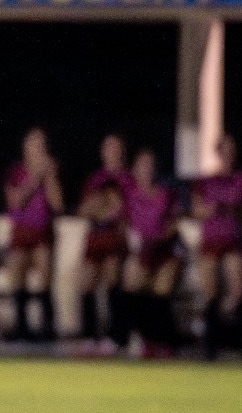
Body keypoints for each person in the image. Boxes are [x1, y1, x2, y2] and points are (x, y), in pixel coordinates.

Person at [190, 133, 242, 359]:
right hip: (211, 241)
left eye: (231, 150)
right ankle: (210, 348)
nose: (228, 154)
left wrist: (234, 209)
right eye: (224, 150)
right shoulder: (205, 181)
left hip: (234, 241)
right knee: (211, 293)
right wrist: (212, 209)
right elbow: (197, 211)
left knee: (238, 290)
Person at [121, 147, 184, 357]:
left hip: (165, 250)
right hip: (142, 251)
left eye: (151, 165)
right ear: (134, 169)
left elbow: (174, 223)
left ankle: (164, 343)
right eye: (142, 165)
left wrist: (160, 240)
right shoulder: (128, 196)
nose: (147, 170)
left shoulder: (166, 195)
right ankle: (143, 339)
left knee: (161, 287)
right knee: (133, 281)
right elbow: (123, 224)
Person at [1, 127, 62, 340]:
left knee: (45, 264)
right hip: (21, 232)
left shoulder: (50, 172)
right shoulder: (16, 172)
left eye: (42, 145)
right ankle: (21, 326)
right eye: (34, 144)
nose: (38, 150)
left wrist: (50, 177)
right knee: (17, 266)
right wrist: (36, 178)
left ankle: (47, 326)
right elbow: (15, 201)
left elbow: (58, 205)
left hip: (43, 233)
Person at [77, 133, 134, 351]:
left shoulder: (128, 179)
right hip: (95, 236)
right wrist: (102, 209)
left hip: (115, 236)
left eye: (116, 149)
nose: (112, 153)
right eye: (108, 149)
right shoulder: (95, 179)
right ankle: (90, 335)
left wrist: (107, 210)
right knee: (87, 282)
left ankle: (117, 336)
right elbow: (86, 209)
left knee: (113, 279)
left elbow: (124, 209)